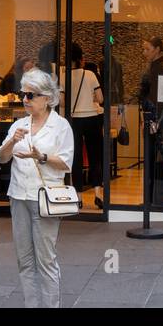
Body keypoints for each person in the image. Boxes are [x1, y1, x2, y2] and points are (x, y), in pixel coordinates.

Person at [0, 68, 74, 308]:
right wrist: (12, 140)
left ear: (47, 98)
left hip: (45, 199)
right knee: (24, 260)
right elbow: (1, 158)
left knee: (46, 259)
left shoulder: (61, 126)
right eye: (24, 94)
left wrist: (40, 156)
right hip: (18, 196)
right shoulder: (19, 124)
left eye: (31, 95)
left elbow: (66, 163)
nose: (25, 100)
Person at [66, 43, 104, 208]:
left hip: (74, 120)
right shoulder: (90, 75)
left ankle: (79, 197)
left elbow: (61, 101)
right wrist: (90, 99)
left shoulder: (64, 75)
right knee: (95, 156)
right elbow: (100, 98)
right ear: (81, 59)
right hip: (91, 118)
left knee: (76, 159)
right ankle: (98, 194)